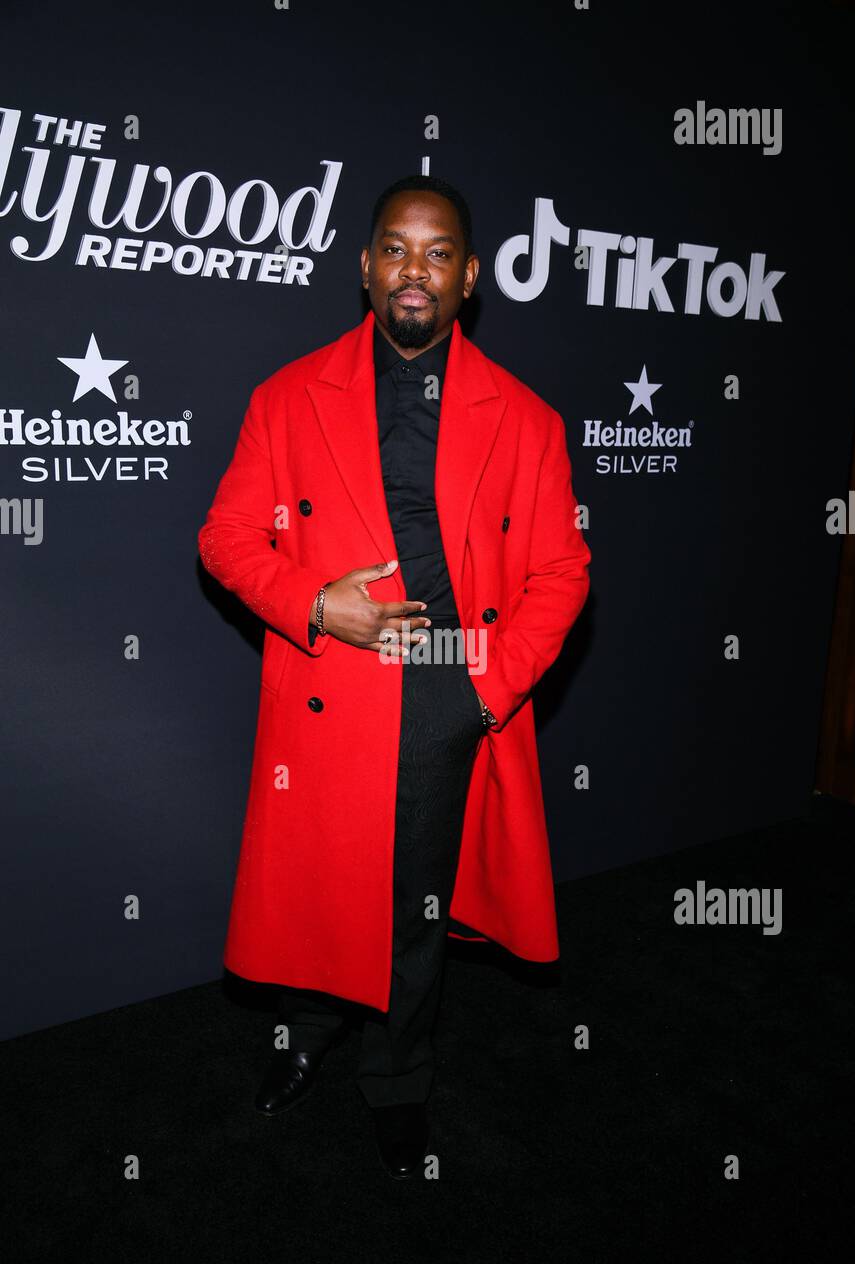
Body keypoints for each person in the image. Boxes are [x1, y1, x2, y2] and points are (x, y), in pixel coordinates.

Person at [198, 174, 592, 1178]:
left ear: (467, 279)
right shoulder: (285, 397)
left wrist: (485, 684)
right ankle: (305, 1032)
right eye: (394, 248)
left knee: (414, 900)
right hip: (333, 672)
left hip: (446, 680)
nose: (413, 270)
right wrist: (312, 603)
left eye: (437, 252)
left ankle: (398, 1075)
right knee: (322, 888)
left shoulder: (527, 418)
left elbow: (560, 571)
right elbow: (225, 540)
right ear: (364, 267)